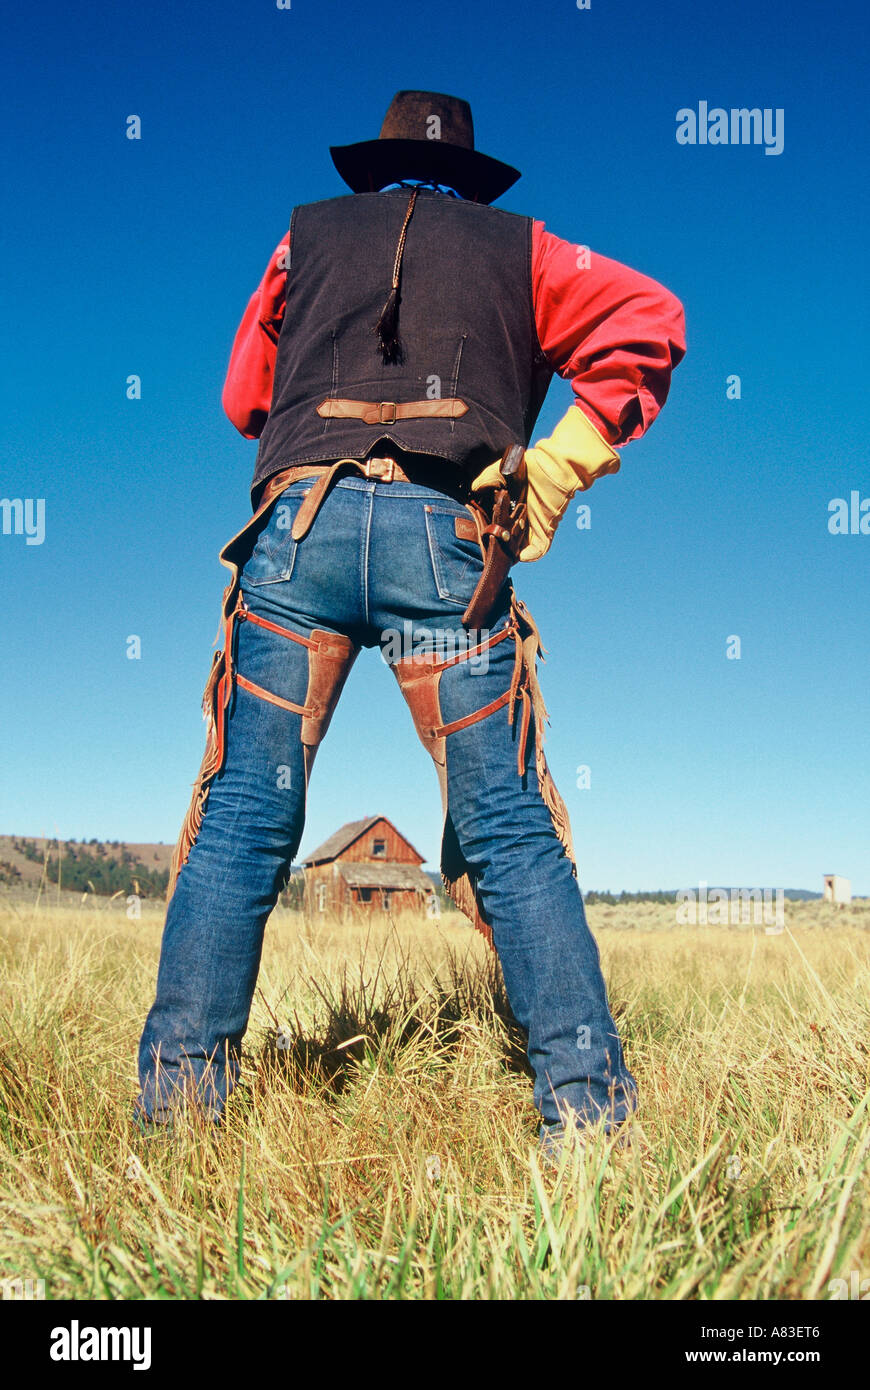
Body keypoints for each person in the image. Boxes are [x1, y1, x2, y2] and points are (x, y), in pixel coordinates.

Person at [136, 91, 686, 1151]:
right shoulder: (523, 250)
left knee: (245, 815)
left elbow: (245, 400)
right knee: (511, 829)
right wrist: (556, 471)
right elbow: (648, 321)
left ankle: (176, 1126)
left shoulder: (303, 241)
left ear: (375, 168)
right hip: (451, 535)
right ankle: (586, 1124)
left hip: (299, 528)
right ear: (472, 180)